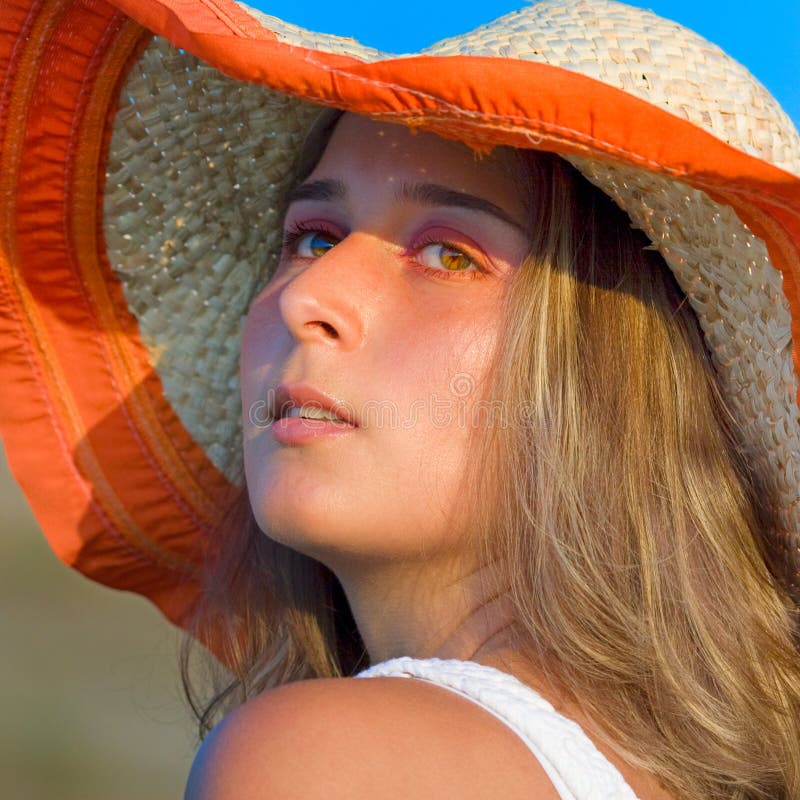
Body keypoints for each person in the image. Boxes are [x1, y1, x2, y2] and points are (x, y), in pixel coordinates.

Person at [1, 1, 799, 799]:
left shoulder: (323, 762)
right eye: (313, 237)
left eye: (449, 254)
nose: (307, 295)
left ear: (617, 389)